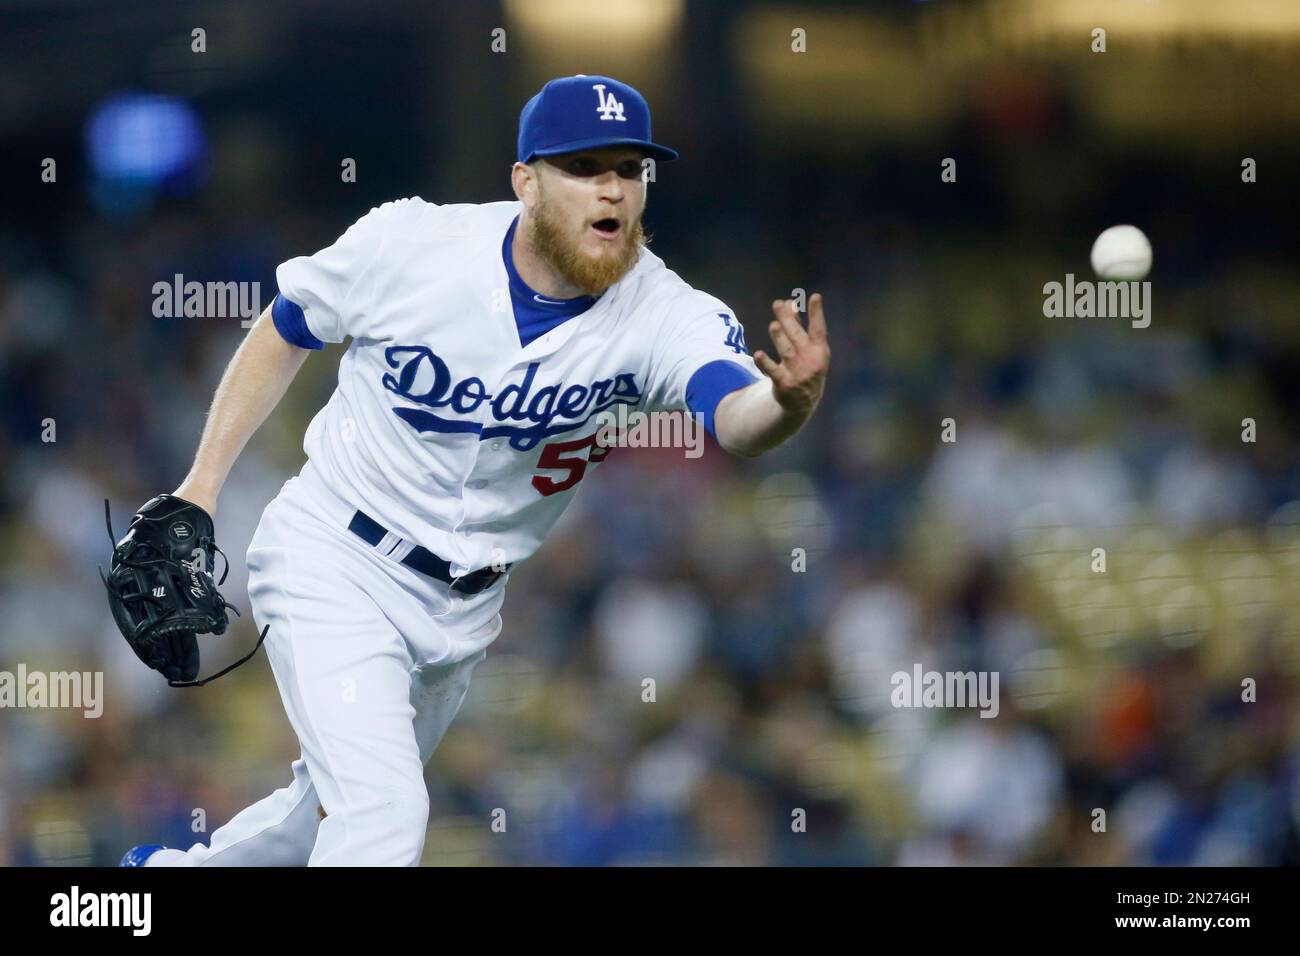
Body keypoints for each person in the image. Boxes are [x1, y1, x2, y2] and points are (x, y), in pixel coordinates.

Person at [122, 74, 829, 866]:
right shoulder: (414, 245)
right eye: (584, 166)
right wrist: (200, 487)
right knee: (384, 817)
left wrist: (787, 404)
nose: (611, 189)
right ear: (525, 181)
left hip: (462, 613)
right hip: (335, 557)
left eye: (628, 169)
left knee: (318, 821)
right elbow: (286, 326)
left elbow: (734, 415)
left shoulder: (662, 310)